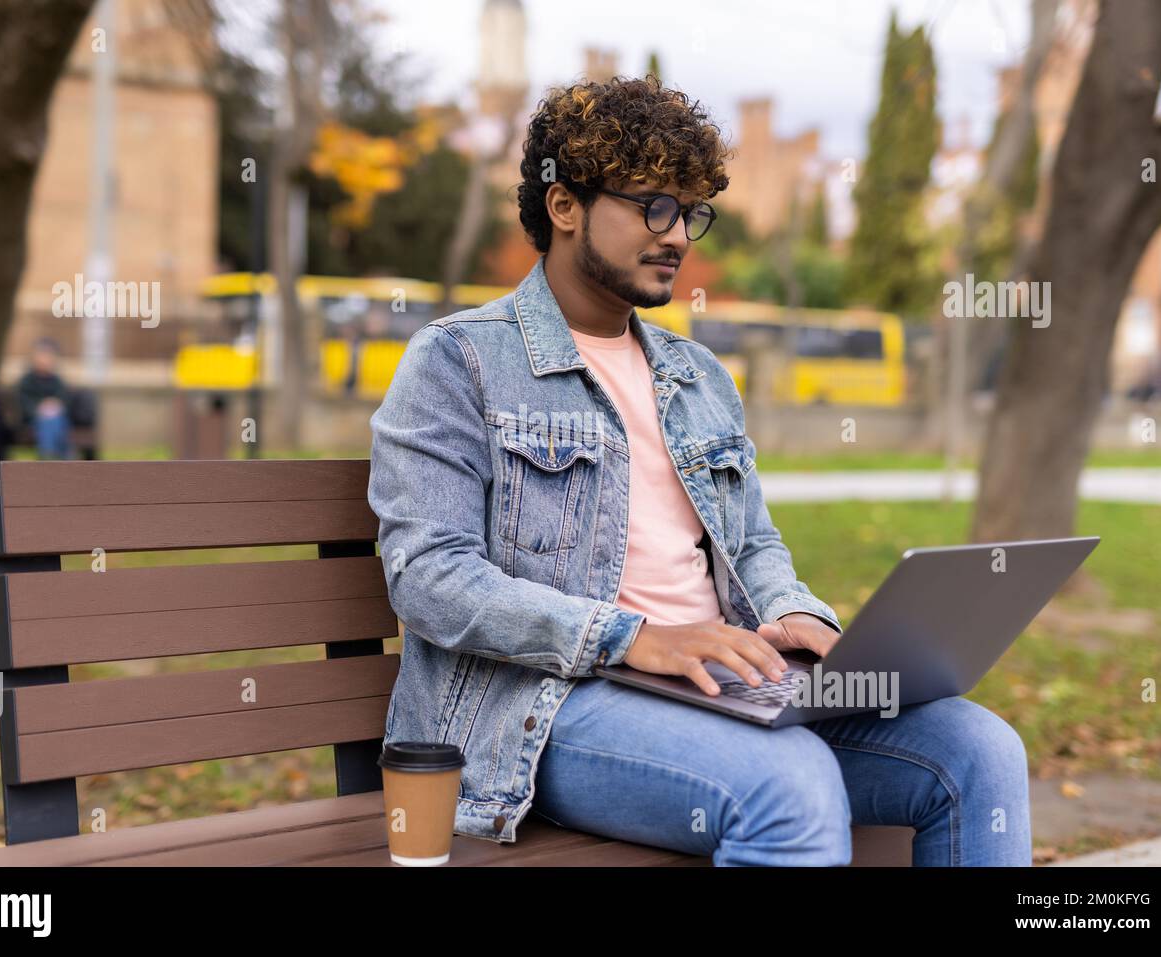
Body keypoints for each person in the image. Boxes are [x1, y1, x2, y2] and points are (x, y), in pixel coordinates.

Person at [367, 75, 1031, 866]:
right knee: (790, 784)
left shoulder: (699, 376)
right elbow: (430, 577)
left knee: (980, 750)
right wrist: (633, 638)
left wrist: (795, 614)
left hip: (714, 685)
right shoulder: (458, 361)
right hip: (545, 707)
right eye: (651, 204)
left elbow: (751, 542)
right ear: (564, 204)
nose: (677, 233)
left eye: (688, 212)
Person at [16, 337, 72, 460]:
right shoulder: (27, 381)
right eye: (42, 355)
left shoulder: (57, 381)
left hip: (57, 418)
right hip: (33, 420)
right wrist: (40, 408)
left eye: (48, 356)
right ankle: (54, 456)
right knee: (47, 421)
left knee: (55, 420)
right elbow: (23, 403)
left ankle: (51, 455)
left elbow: (64, 400)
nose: (45, 360)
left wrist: (55, 405)